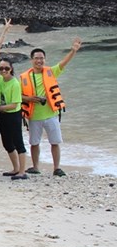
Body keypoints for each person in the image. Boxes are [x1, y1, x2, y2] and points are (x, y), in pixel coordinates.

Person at [20, 38, 82, 177]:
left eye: (41, 58)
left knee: (55, 142)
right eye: (36, 58)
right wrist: (29, 99)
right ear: (32, 60)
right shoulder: (24, 77)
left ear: (45, 59)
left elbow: (63, 63)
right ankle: (35, 167)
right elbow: (18, 96)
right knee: (34, 143)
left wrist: (73, 51)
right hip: (34, 116)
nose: (39, 61)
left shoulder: (51, 72)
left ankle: (56, 168)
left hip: (51, 114)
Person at [0, 60, 28, 179]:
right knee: (7, 143)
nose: (4, 70)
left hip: (14, 115)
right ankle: (16, 168)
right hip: (3, 115)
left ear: (11, 69)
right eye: (1, 68)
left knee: (18, 142)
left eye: (6, 68)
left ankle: (22, 171)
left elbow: (14, 105)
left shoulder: (15, 83)